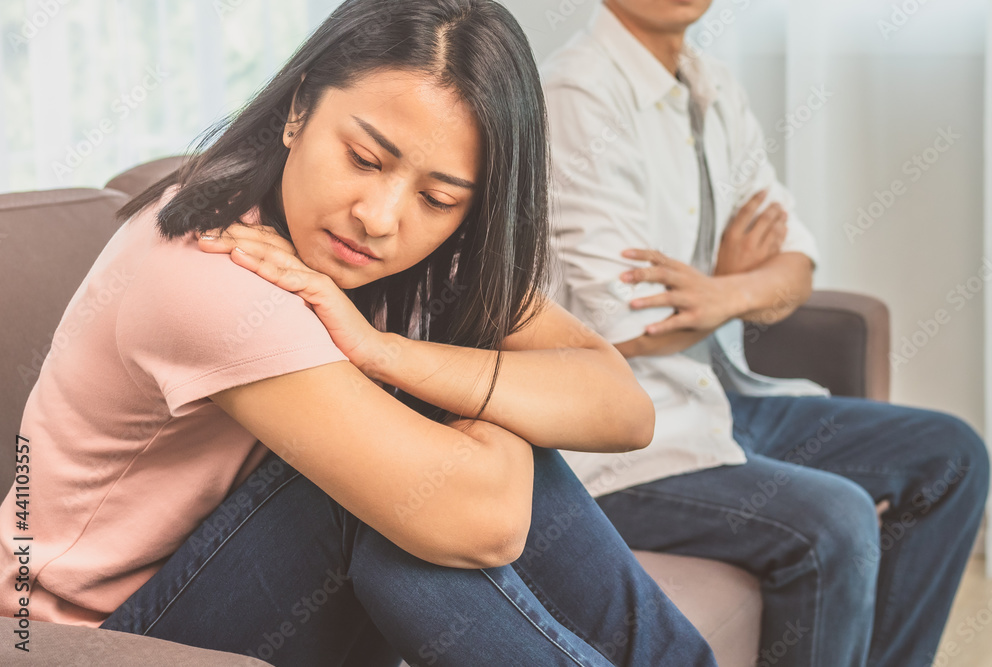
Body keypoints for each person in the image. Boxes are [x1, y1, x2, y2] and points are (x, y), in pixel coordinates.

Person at [0, 1, 721, 665]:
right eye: (364, 158)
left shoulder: (426, 254)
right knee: (389, 487)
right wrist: (471, 391)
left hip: (227, 587)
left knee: (426, 414)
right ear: (298, 108)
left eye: (438, 197)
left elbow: (625, 408)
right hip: (85, 641)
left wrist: (388, 352)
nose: (379, 216)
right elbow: (485, 520)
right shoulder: (212, 266)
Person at [542, 1, 991, 666]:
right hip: (624, 438)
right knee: (834, 521)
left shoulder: (713, 85)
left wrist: (720, 290)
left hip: (719, 399)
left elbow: (797, 265)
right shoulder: (574, 96)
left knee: (953, 456)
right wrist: (738, 287)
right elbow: (629, 325)